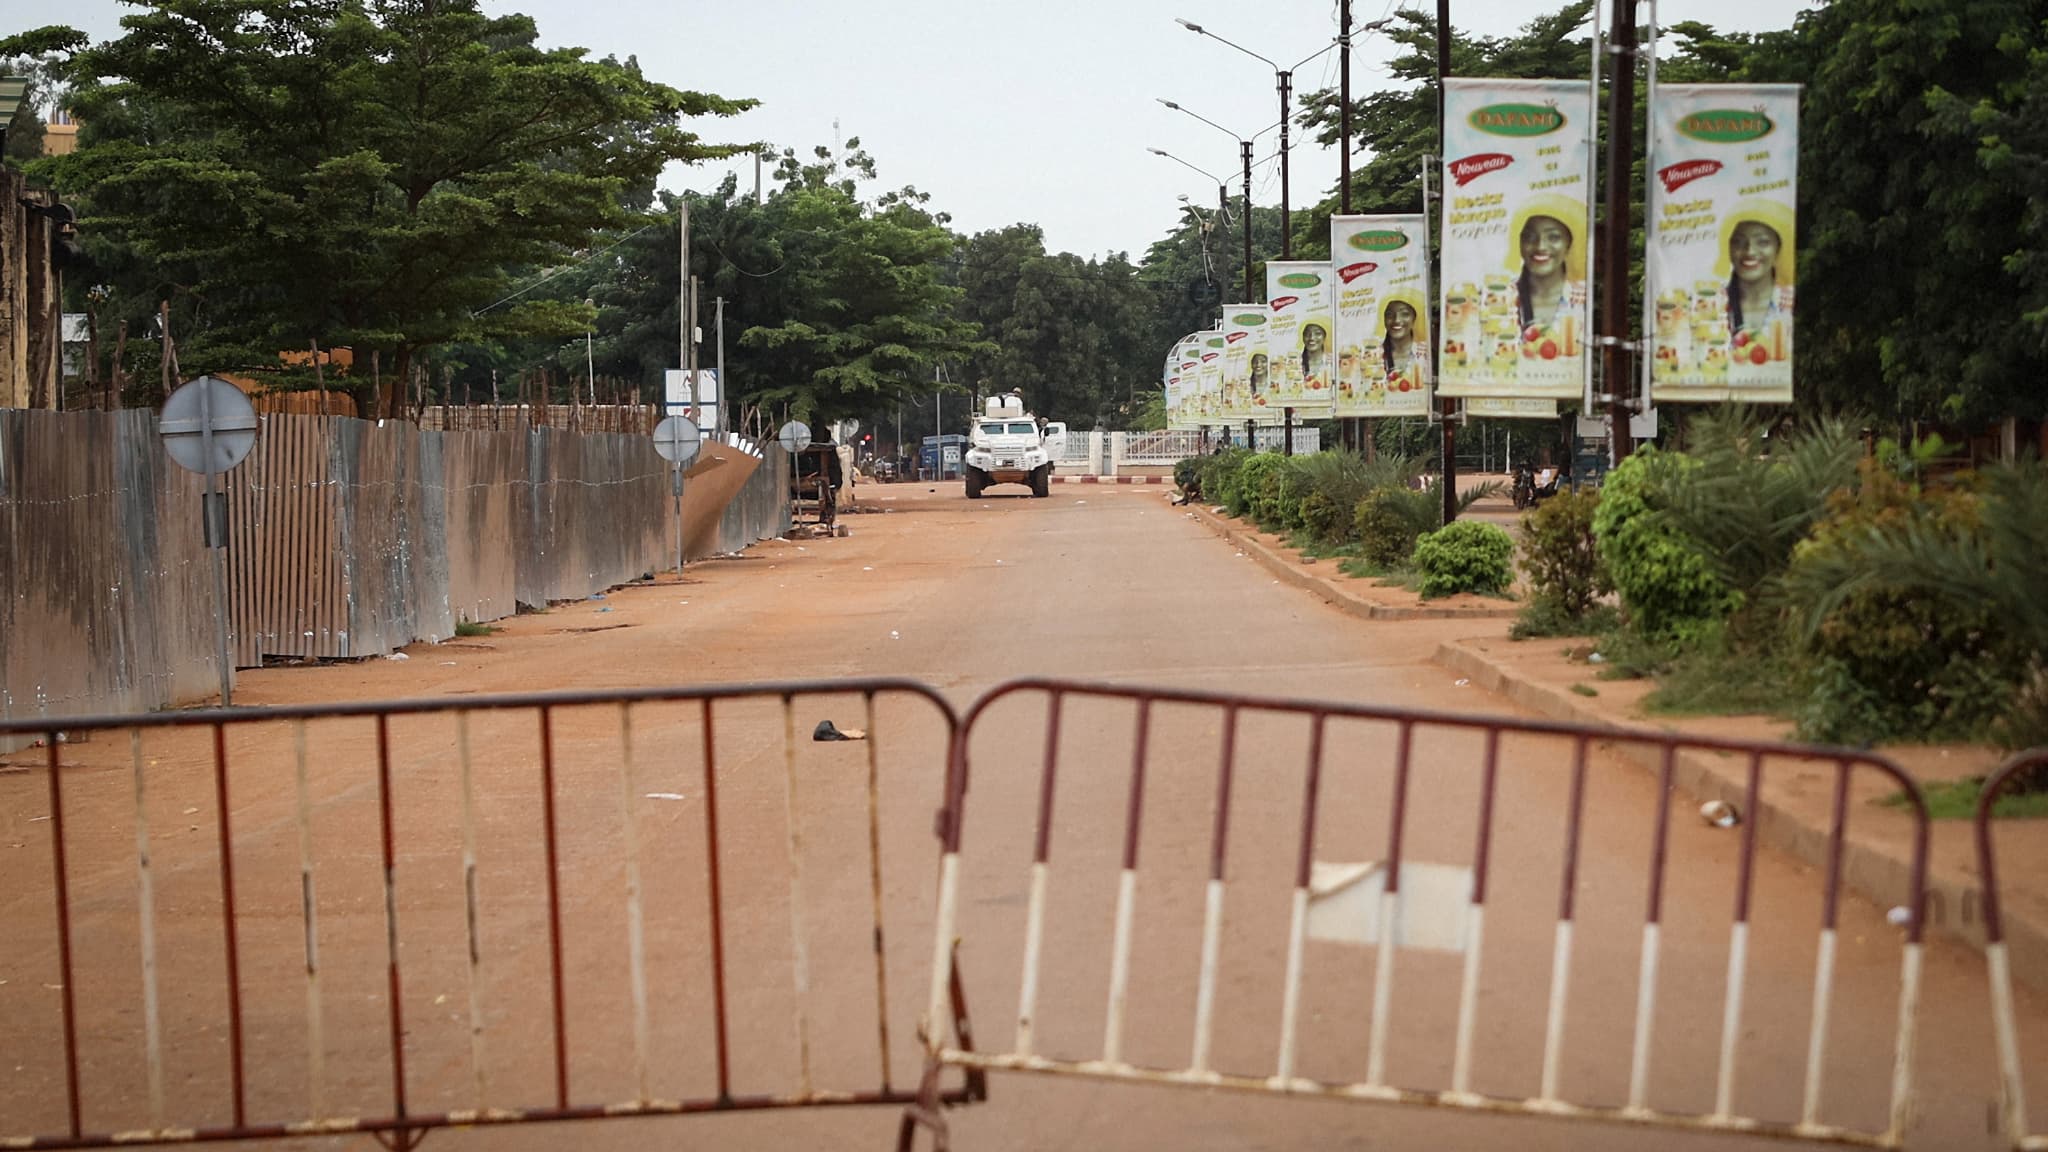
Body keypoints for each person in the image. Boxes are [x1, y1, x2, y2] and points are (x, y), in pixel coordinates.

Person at [1516, 214, 1578, 330]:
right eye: (1530, 237)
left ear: (1568, 244)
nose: (1540, 246)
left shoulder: (1585, 298)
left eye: (1553, 237)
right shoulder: (1500, 296)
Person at [1726, 218, 1783, 333]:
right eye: (1739, 242)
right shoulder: (1711, 303)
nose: (1750, 252)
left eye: (1762, 242)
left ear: (1777, 249)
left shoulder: (1789, 302)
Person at [1381, 299, 1420, 375]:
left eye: (1404, 314)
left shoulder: (1427, 352)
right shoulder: (1374, 355)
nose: (1397, 320)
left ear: (1414, 319)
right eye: (1389, 315)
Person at [1300, 322, 1331, 387]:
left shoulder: (1333, 362)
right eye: (1307, 334)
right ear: (1303, 337)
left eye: (1317, 333)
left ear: (1324, 337)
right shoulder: (1295, 364)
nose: (1311, 338)